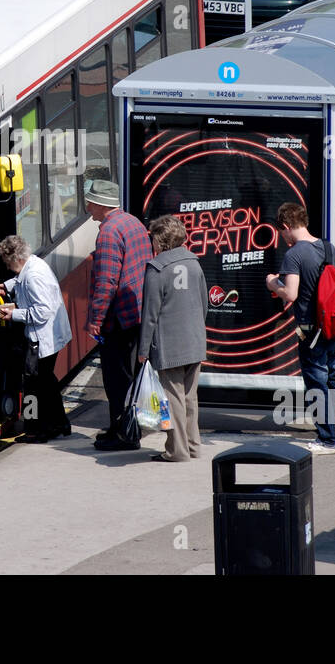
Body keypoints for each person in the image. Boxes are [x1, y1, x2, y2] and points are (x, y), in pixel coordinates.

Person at [264, 201, 335, 455]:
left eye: (281, 232)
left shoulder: (294, 255)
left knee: (316, 381)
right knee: (334, 374)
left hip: (309, 328)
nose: (283, 237)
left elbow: (290, 293)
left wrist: (273, 283)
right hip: (331, 325)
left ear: (285, 227)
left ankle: (327, 439)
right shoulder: (327, 246)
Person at [84, 179, 154, 451]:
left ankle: (123, 435)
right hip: (136, 312)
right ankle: (123, 427)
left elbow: (106, 282)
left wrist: (95, 320)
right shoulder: (132, 222)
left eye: (90, 200)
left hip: (119, 318)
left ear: (101, 205)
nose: (87, 205)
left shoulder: (109, 233)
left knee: (116, 379)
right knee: (129, 376)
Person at [136, 215, 208, 462]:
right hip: (195, 340)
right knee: (190, 397)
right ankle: (193, 445)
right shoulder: (194, 263)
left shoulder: (156, 268)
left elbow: (150, 314)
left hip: (169, 344)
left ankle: (176, 450)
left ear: (159, 240)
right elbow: (204, 304)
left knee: (173, 397)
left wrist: (143, 348)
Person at [0, 235, 72, 443]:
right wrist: (6, 285)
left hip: (41, 339)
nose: (6, 266)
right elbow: (21, 280)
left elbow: (42, 312)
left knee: (32, 387)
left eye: (6, 261)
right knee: (47, 382)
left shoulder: (33, 276)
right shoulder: (33, 263)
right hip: (49, 336)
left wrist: (14, 314)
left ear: (15, 259)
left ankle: (35, 430)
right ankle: (60, 423)